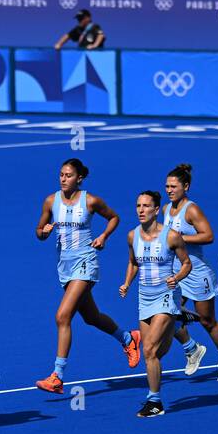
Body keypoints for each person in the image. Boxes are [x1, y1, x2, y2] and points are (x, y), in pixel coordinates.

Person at [34, 158, 139, 394]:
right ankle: (129, 339)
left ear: (79, 178)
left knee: (62, 316)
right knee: (91, 317)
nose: (63, 179)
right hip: (65, 268)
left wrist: (103, 237)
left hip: (85, 263)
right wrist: (45, 232)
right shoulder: (51, 201)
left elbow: (114, 217)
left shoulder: (90, 201)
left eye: (68, 175)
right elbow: (38, 232)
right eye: (61, 174)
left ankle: (57, 376)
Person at [163, 164, 218, 382]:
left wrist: (180, 239)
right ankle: (192, 349)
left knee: (207, 321)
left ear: (186, 186)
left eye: (173, 186)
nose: (169, 190)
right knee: (166, 313)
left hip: (197, 274)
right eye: (167, 186)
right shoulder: (167, 209)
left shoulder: (192, 210)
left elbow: (208, 236)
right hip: (176, 271)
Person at [119, 191, 189, 418]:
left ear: (156, 210)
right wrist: (127, 283)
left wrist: (176, 277)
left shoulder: (172, 236)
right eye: (138, 205)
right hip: (144, 297)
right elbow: (133, 262)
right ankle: (179, 324)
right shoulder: (132, 236)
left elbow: (187, 264)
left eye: (146, 206)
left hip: (166, 295)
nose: (141, 210)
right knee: (159, 352)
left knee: (148, 350)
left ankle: (155, 402)